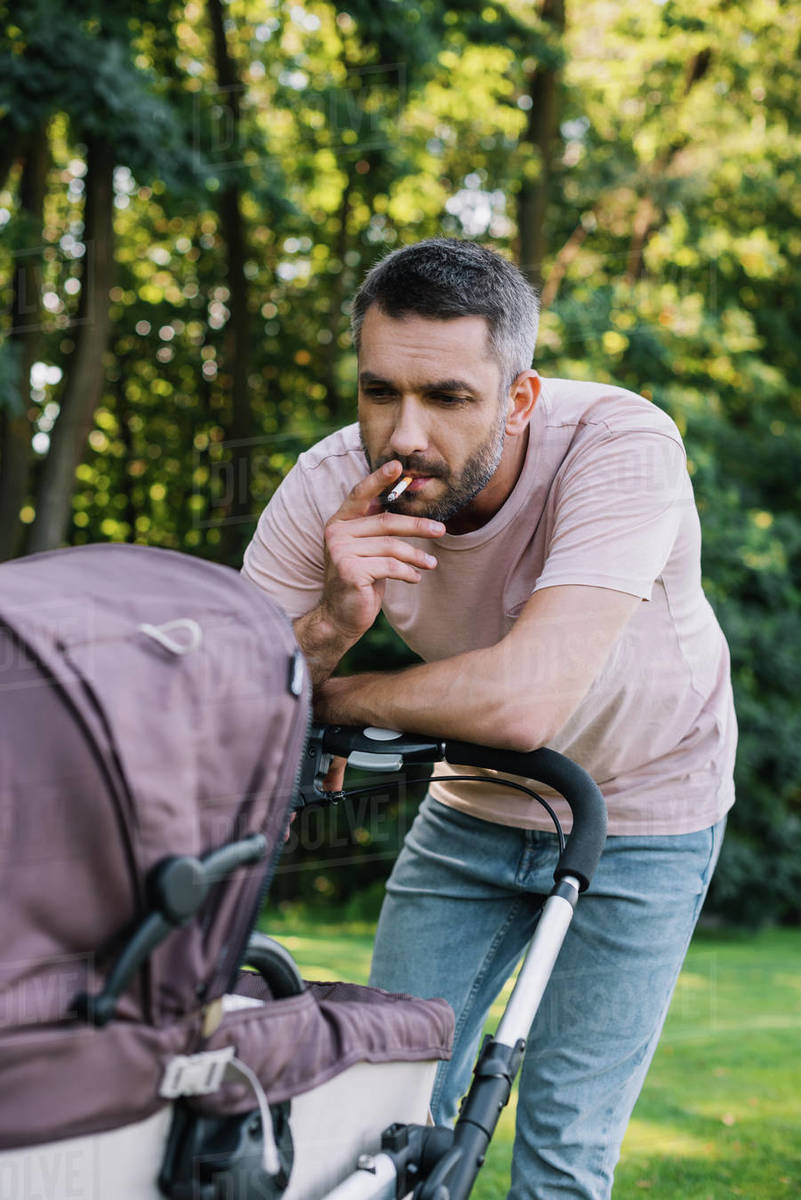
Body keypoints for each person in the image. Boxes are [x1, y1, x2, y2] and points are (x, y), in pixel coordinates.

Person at [242, 238, 736, 1199]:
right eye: (379, 391)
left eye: (448, 398)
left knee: (560, 1152)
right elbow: (227, 691)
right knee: (376, 1114)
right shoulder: (327, 482)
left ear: (517, 399)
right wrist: (335, 624)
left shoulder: (621, 445)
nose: (402, 436)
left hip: (649, 809)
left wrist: (324, 700)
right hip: (474, 808)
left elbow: (521, 700)